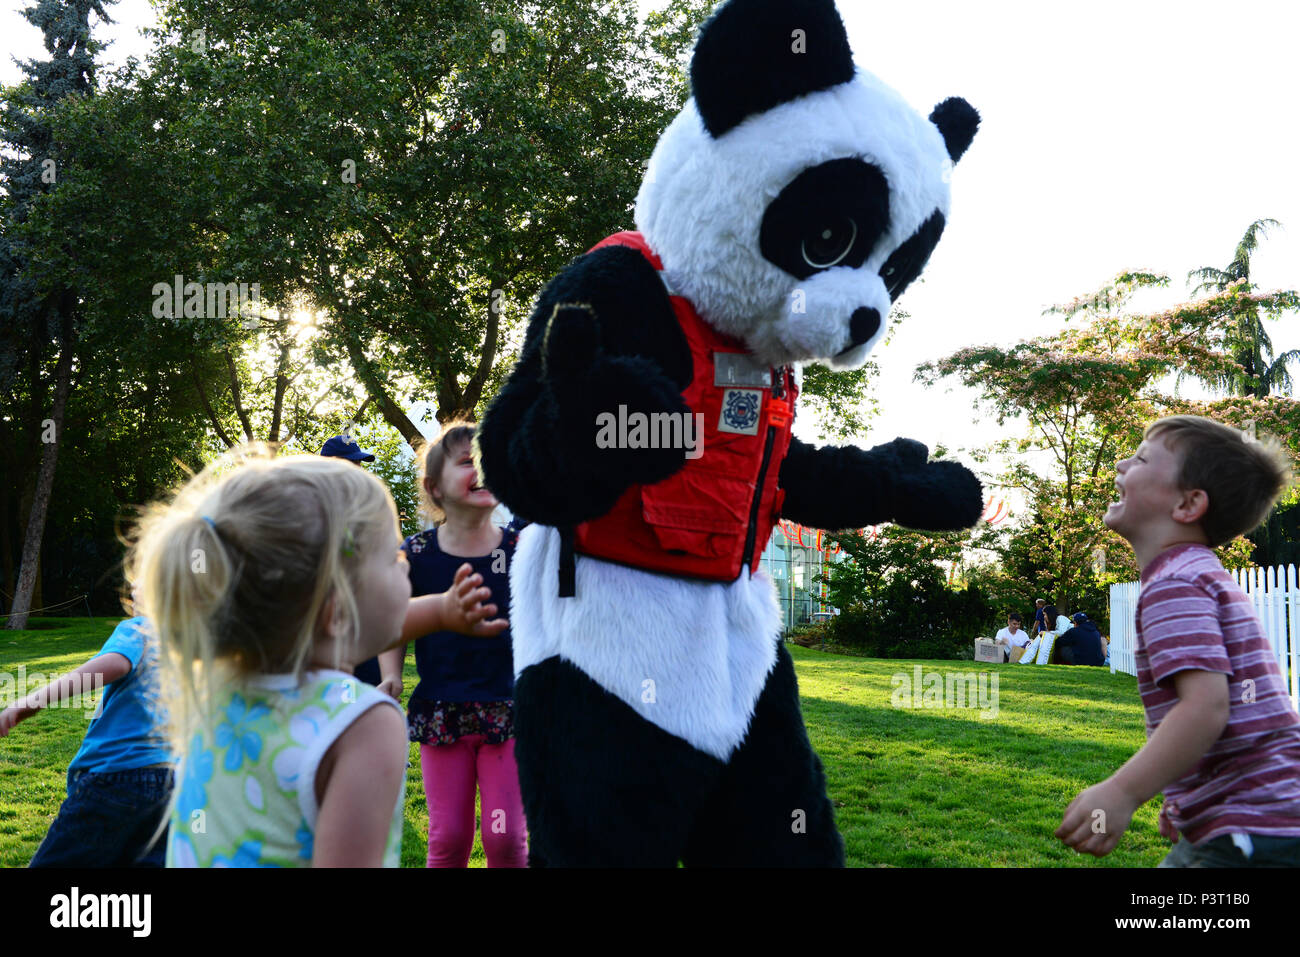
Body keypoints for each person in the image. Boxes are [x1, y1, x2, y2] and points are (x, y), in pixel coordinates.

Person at [125, 444, 506, 867]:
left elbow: (351, 630)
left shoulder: (213, 692)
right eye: (391, 555)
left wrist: (439, 610)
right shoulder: (363, 724)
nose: (405, 566)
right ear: (337, 609)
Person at [1057, 415, 1300, 866]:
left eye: (1142, 457)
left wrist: (1122, 791)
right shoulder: (1198, 575)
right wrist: (1184, 798)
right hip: (1262, 818)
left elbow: (1206, 707)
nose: (1121, 463)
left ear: (1188, 505)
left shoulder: (1176, 584)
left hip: (1251, 826)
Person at [378, 421, 527, 868]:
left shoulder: (521, 551)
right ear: (434, 487)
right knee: (448, 837)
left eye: (488, 462)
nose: (481, 470)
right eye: (468, 463)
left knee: (504, 838)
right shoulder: (418, 554)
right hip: (442, 714)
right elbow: (393, 620)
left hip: (508, 712)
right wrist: (390, 675)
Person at [2, 585, 175, 867]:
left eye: (143, 577)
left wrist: (32, 701)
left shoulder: (140, 629)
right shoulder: (189, 646)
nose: (133, 586)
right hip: (172, 784)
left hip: (115, 777)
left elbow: (114, 665)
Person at [319, 432, 398, 696]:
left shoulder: (370, 513)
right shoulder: (311, 512)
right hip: (327, 634)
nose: (358, 471)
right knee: (336, 710)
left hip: (366, 630)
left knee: (368, 706)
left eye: (359, 465)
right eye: (350, 464)